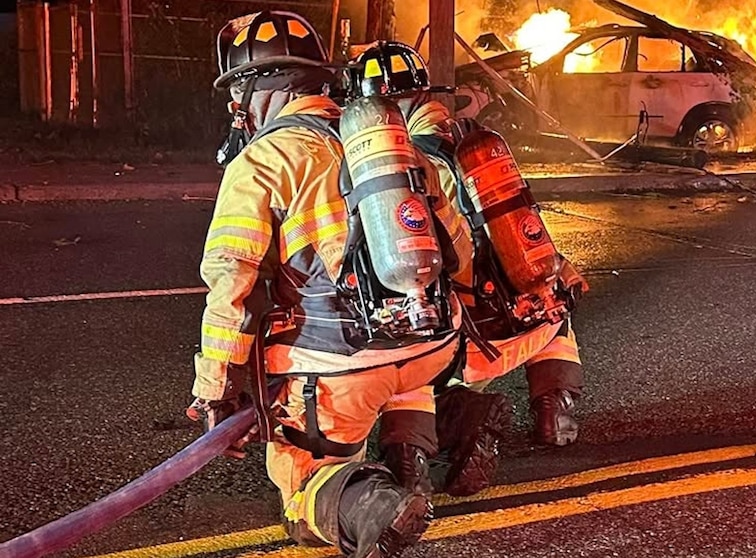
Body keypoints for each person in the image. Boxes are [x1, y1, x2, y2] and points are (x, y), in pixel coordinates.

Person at [185, 13, 466, 557]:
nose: (235, 111)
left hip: (342, 367)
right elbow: (455, 245)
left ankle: (373, 503)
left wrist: (216, 388)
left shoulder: (264, 160)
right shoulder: (392, 142)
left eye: (237, 95)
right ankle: (408, 460)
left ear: (257, 89)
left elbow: (232, 283)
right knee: (400, 378)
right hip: (430, 345)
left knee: (301, 486)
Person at [348, 42, 588, 498]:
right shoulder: (479, 142)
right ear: (422, 93)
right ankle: (554, 409)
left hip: (457, 340)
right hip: (522, 324)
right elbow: (527, 232)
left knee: (403, 353)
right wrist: (564, 274)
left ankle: (411, 455)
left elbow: (437, 256)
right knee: (556, 310)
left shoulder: (396, 168)